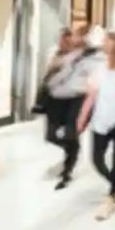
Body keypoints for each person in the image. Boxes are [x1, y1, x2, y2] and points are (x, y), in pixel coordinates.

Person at [77, 32, 115, 220]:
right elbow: (90, 95)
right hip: (101, 119)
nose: (104, 44)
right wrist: (82, 119)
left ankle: (112, 194)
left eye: (108, 42)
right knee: (96, 158)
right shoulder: (99, 67)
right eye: (104, 42)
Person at [42, 27, 97, 190]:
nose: (64, 42)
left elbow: (92, 77)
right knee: (51, 135)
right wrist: (54, 67)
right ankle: (72, 151)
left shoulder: (87, 56)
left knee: (71, 134)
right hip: (55, 98)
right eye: (62, 39)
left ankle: (67, 171)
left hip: (76, 98)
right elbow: (48, 77)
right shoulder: (55, 54)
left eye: (68, 38)